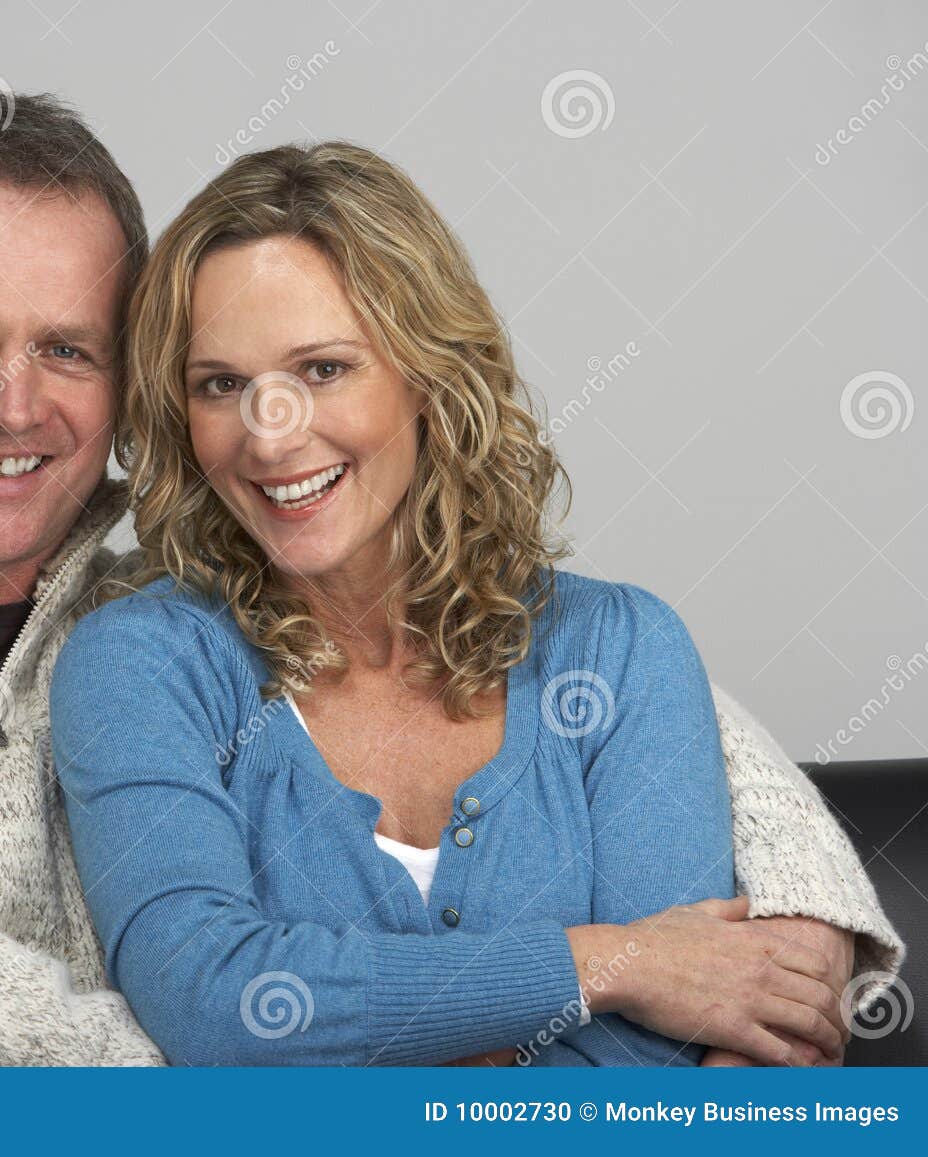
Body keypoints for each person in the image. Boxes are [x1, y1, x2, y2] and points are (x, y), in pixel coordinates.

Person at [0, 89, 900, 1066]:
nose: (15, 404)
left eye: (70, 349)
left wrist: (799, 927)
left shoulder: (167, 591)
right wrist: (262, 1052)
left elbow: (646, 692)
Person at [50, 141, 902, 1066]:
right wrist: (607, 962)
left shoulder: (618, 652)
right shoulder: (138, 664)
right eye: (221, 384)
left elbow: (662, 1057)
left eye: (324, 368)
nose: (270, 433)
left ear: (426, 374)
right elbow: (216, 1005)